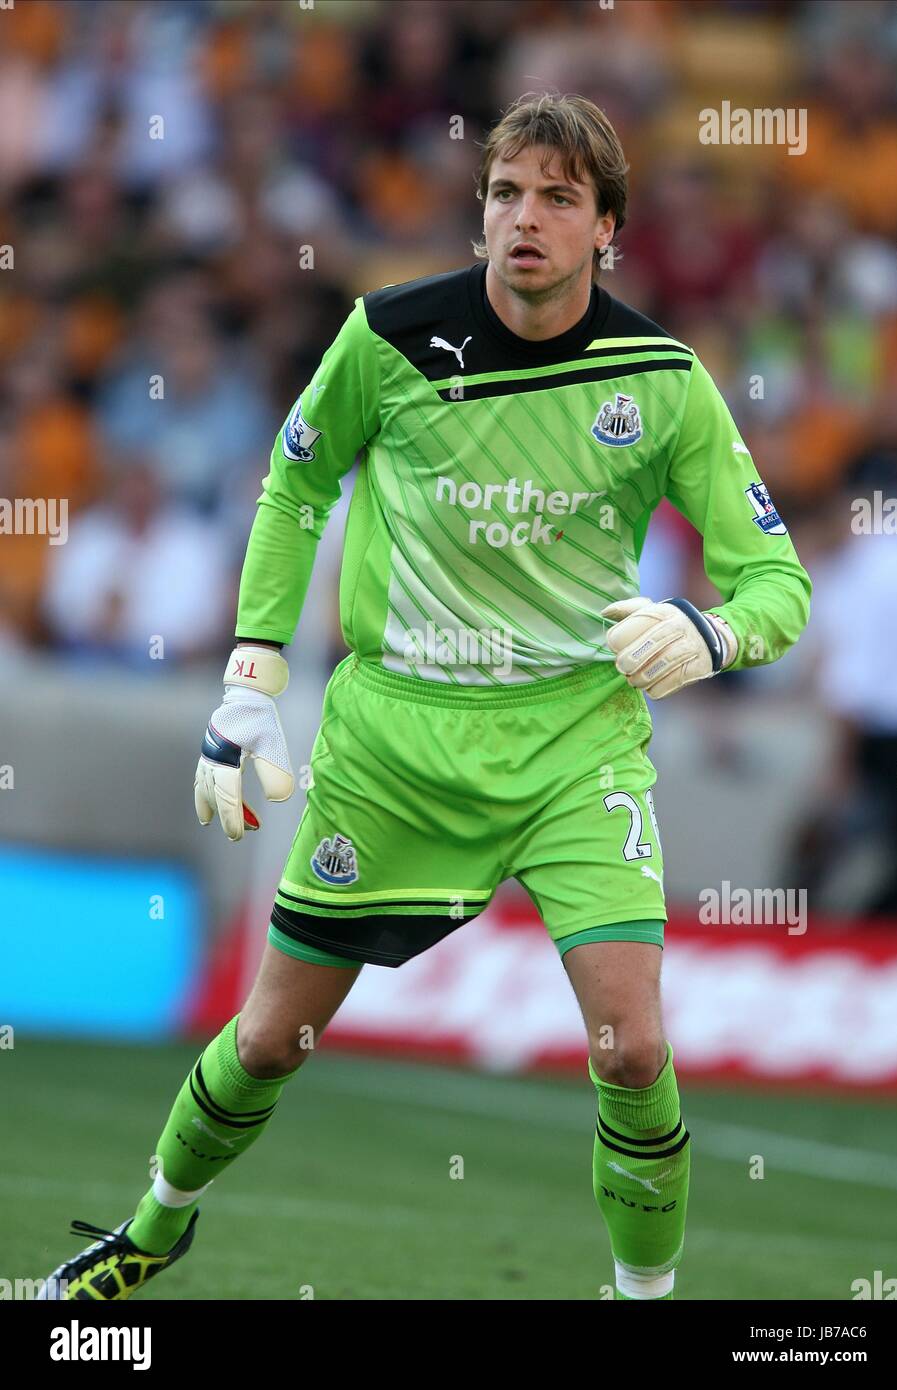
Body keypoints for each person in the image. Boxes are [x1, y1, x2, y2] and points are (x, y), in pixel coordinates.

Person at [39, 92, 811, 1303]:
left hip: (573, 744)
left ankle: (643, 1299)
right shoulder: (388, 336)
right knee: (266, 1043)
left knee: (634, 1045)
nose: (525, 218)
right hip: (393, 742)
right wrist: (250, 673)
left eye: (558, 198)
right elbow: (294, 487)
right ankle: (149, 1229)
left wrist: (709, 631)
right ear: (479, 211)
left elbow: (777, 581)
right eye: (506, 193)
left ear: (605, 227)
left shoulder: (660, 382)